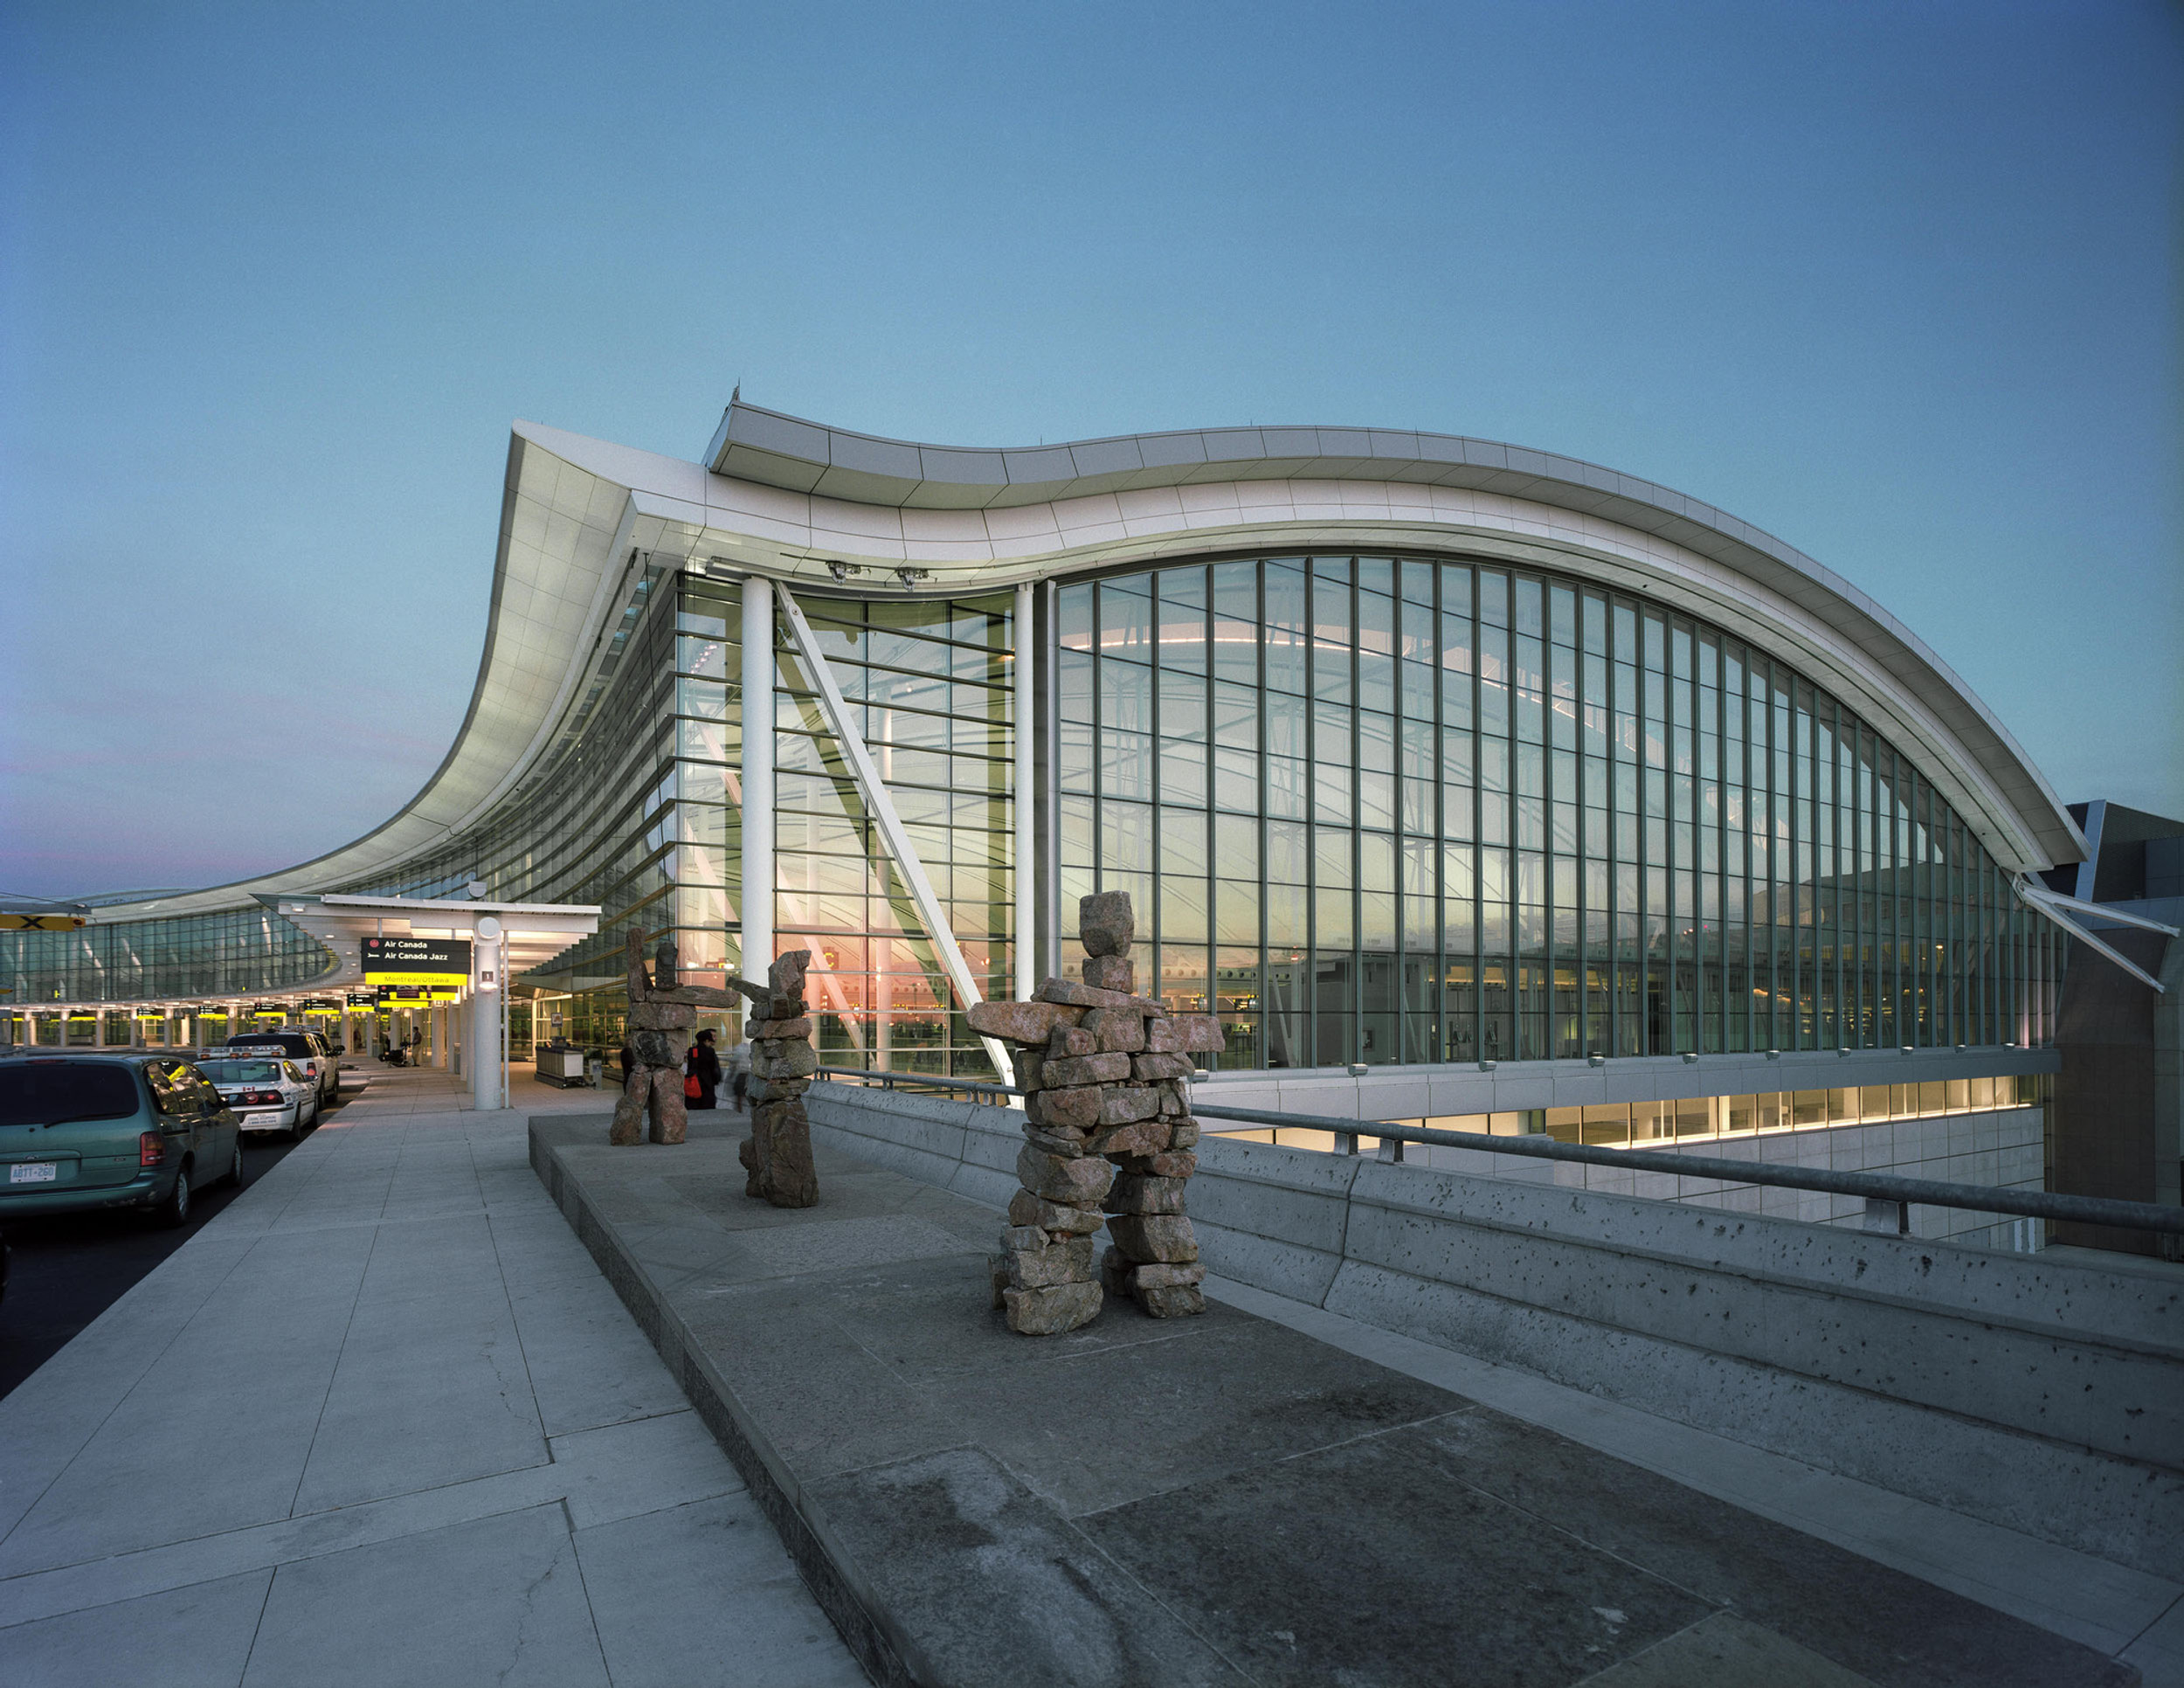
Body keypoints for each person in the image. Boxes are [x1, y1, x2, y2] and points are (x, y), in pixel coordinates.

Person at [686, 1028, 722, 1110]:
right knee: (707, 1107)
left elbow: (690, 1066)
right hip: (707, 1083)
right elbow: (713, 1067)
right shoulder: (710, 1051)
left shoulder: (692, 1050)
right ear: (706, 1040)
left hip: (694, 1082)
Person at [729, 1040, 751, 1113]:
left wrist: (731, 1075)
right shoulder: (750, 1049)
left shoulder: (738, 1050)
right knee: (747, 1095)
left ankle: (739, 1112)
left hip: (741, 1075)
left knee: (739, 1097)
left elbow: (733, 1062)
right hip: (749, 1075)